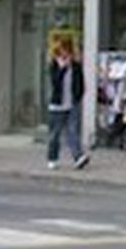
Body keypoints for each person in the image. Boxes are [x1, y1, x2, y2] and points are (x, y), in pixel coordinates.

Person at [45, 37, 90, 171]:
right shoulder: (54, 64)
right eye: (63, 51)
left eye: (68, 51)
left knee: (73, 132)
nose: (66, 54)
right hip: (57, 105)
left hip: (72, 104)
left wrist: (78, 97)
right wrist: (63, 68)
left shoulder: (76, 66)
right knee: (55, 134)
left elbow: (80, 83)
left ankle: (78, 157)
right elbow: (55, 82)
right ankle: (52, 158)